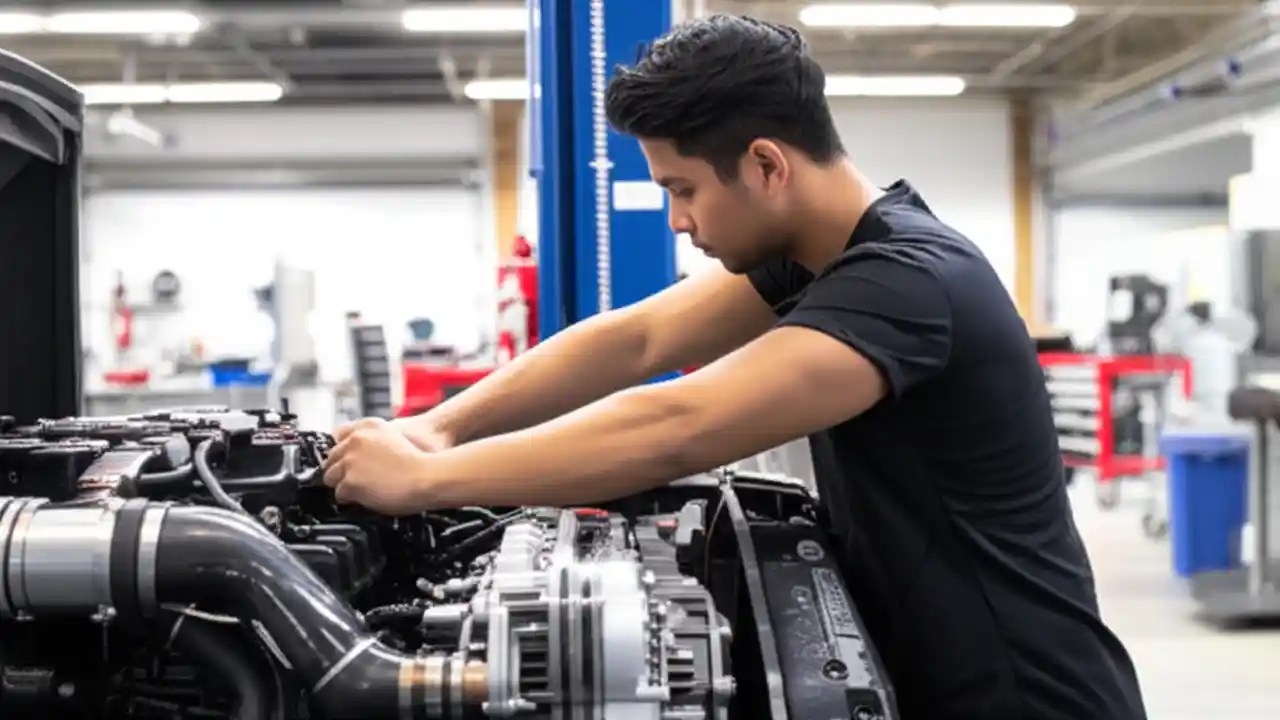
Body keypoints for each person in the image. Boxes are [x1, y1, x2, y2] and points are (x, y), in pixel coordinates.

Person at [322, 14, 1147, 720]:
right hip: (931, 674)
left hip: (1023, 694)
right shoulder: (824, 256)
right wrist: (438, 425)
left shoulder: (912, 283)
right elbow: (635, 342)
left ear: (766, 165)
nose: (679, 220)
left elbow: (680, 425)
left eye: (683, 189)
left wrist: (430, 481)